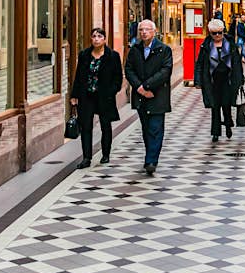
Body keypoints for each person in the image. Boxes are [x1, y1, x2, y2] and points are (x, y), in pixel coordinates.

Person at [124, 19, 173, 176]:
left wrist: (147, 86)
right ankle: (150, 156)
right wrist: (139, 87)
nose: (144, 32)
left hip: (157, 95)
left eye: (147, 30)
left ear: (154, 31)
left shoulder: (164, 50)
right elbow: (129, 69)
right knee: (146, 129)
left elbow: (165, 71)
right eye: (141, 30)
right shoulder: (135, 49)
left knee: (156, 128)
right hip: (141, 96)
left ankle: (151, 161)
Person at [70, 27, 123, 169]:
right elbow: (79, 76)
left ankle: (106, 154)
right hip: (86, 95)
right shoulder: (84, 55)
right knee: (85, 126)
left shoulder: (113, 56)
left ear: (104, 39)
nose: (96, 39)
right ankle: (86, 157)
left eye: (99, 36)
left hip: (104, 96)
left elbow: (118, 78)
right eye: (94, 36)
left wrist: (112, 91)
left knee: (105, 125)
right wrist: (74, 95)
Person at [195, 19, 245, 142]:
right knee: (215, 106)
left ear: (223, 31)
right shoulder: (206, 45)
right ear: (210, 33)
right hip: (212, 81)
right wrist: (198, 81)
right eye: (214, 33)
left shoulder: (231, 44)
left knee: (226, 105)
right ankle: (215, 132)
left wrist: (240, 79)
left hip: (228, 81)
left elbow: (237, 63)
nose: (217, 35)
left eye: (219, 32)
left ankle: (228, 125)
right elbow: (200, 64)